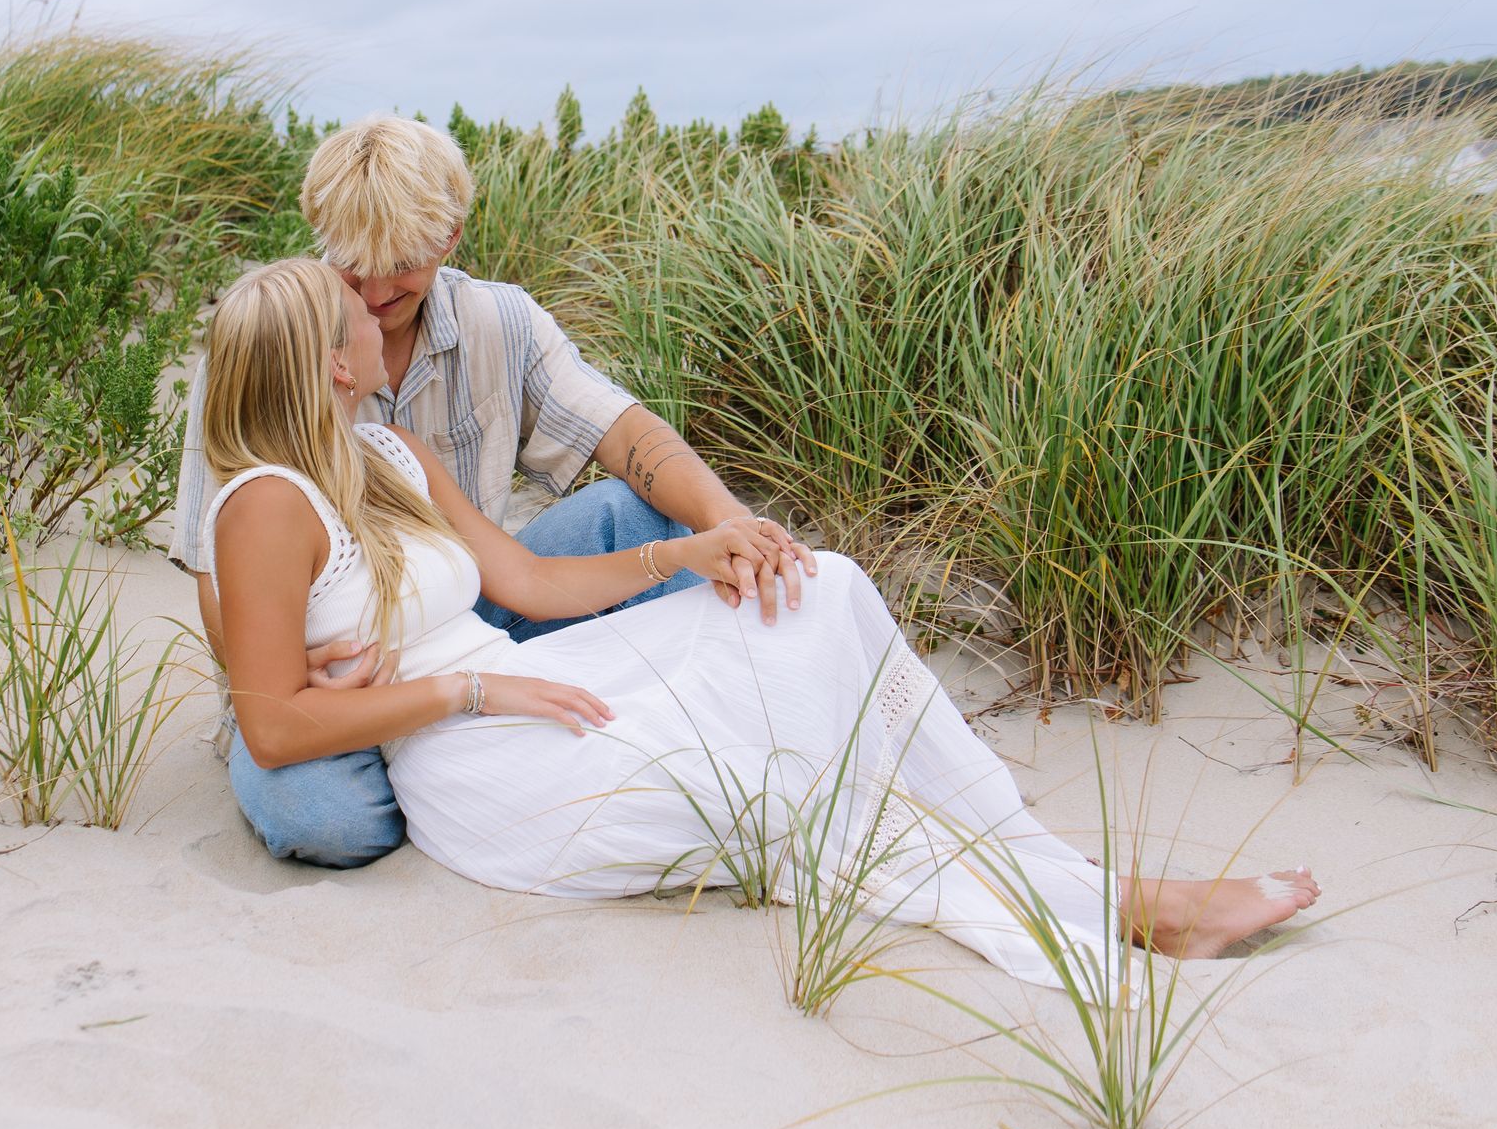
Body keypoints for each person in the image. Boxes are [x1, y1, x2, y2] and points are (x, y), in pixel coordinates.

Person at [200, 257, 1322, 992]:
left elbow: (528, 585)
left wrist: (684, 553)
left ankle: (1047, 861)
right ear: (333, 361)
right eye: (352, 306)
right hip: (467, 752)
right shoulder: (264, 503)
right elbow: (275, 725)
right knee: (758, 783)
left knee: (822, 591)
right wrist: (470, 690)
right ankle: (1124, 904)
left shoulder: (385, 449)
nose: (375, 304)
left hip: (529, 676)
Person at [172, 114, 810, 868]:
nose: (375, 292)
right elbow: (218, 580)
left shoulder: (492, 327)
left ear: (449, 238)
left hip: (463, 602)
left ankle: (699, 701)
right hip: (326, 663)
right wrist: (292, 677)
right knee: (322, 819)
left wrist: (726, 527)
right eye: (351, 267)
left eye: (399, 263)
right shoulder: (269, 339)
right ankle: (440, 768)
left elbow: (620, 433)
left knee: (630, 513)